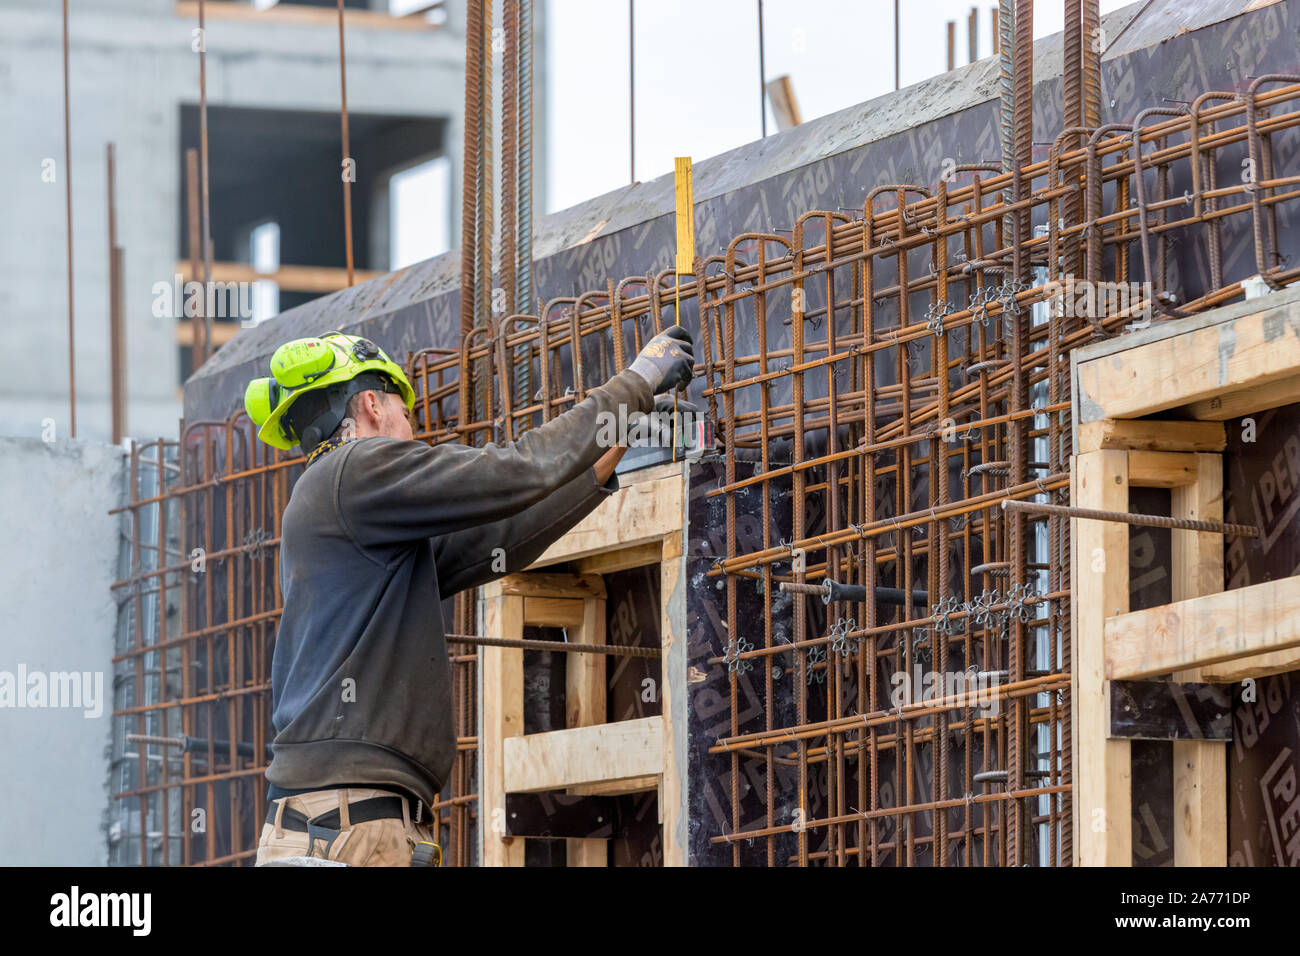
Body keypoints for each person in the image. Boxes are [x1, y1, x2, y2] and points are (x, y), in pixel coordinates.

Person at [241, 325, 696, 865]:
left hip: (343, 823)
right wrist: (638, 381)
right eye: (404, 413)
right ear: (370, 404)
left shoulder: (352, 515)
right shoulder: (354, 471)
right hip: (350, 825)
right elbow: (516, 470)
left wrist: (617, 433)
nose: (411, 430)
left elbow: (504, 536)